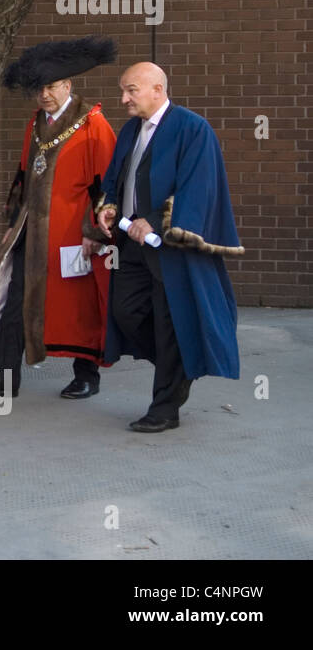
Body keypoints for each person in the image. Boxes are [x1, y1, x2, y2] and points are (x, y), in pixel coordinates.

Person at [87, 62, 243, 432]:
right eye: (123, 90)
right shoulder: (129, 130)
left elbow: (199, 187)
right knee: (126, 311)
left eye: (131, 90)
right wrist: (108, 207)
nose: (123, 98)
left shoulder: (192, 129)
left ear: (157, 89)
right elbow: (113, 179)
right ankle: (182, 365)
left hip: (172, 249)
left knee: (171, 321)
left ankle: (165, 407)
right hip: (132, 245)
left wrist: (155, 222)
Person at [0, 37, 118, 400]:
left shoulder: (93, 125)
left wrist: (94, 232)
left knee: (78, 307)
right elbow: (22, 178)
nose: (44, 95)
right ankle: (4, 379)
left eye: (51, 87)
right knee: (14, 303)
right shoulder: (35, 125)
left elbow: (108, 185)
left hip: (73, 236)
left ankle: (87, 375)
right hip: (30, 231)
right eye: (39, 89)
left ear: (68, 85)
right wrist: (11, 226)